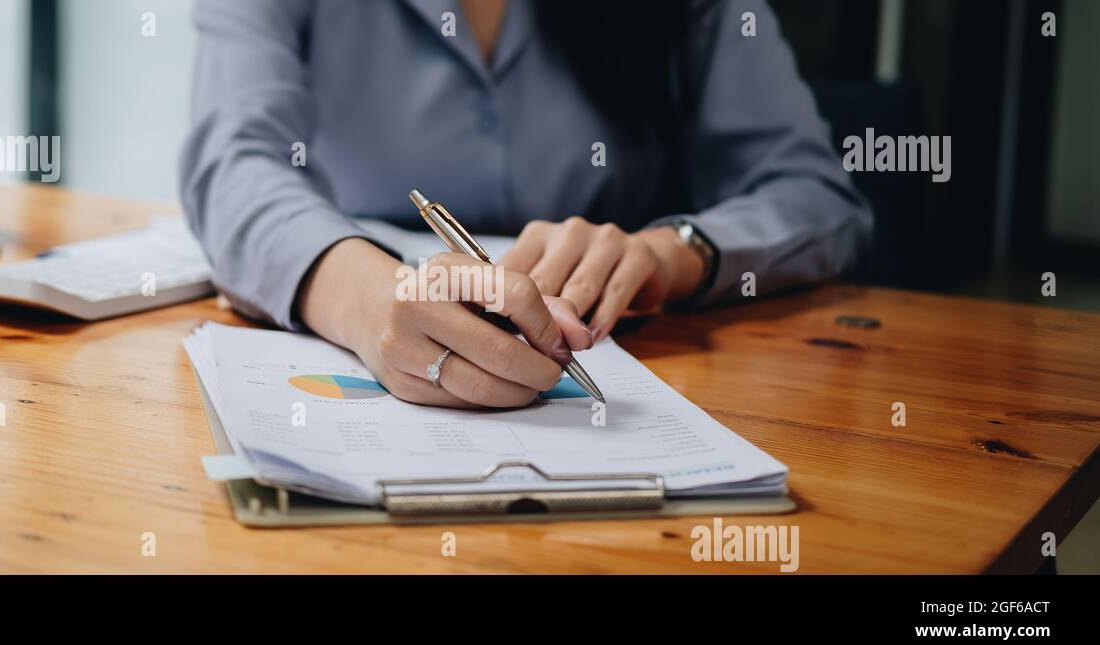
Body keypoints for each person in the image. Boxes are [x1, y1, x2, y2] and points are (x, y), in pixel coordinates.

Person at [180, 0, 872, 408]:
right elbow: (232, 164)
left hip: (647, 361)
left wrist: (672, 252)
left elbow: (815, 195)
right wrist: (366, 301)